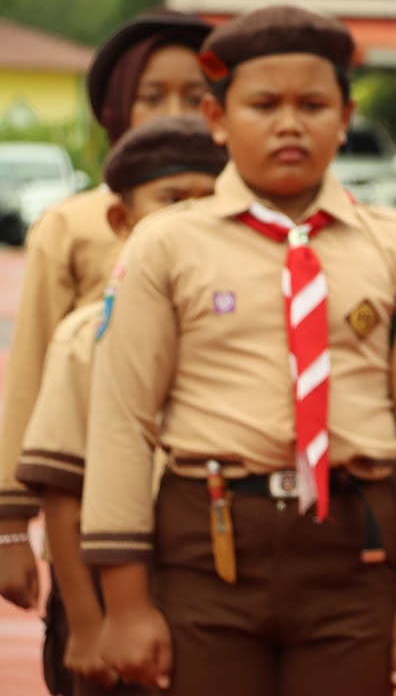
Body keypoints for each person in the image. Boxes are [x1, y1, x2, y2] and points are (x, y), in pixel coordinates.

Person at [78, 5, 396, 696]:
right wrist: (126, 604)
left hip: (354, 552)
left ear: (344, 118)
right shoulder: (166, 243)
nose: (290, 122)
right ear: (216, 119)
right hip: (208, 545)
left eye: (313, 104)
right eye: (264, 104)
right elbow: (121, 419)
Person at [0, 9, 212, 610]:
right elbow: (32, 373)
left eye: (195, 96)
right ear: (117, 111)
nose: (176, 111)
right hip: (92, 508)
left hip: (215, 516)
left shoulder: (245, 220)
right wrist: (11, 525)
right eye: (153, 96)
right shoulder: (71, 225)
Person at [15, 114, 228, 696]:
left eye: (208, 199)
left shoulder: (237, 329)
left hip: (211, 596)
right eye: (170, 198)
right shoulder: (88, 335)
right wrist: (86, 624)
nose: (189, 214)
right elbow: (63, 495)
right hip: (107, 596)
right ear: (121, 218)